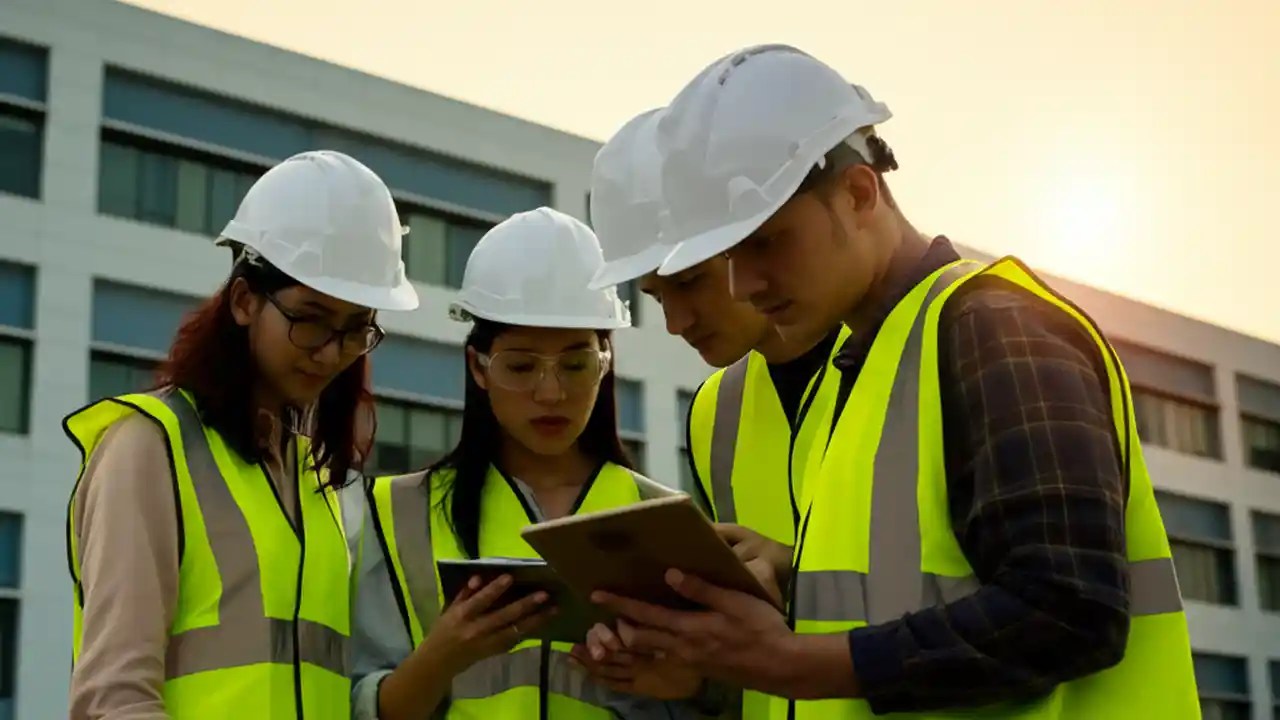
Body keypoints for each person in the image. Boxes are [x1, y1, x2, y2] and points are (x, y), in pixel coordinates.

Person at [588, 44, 1200, 719]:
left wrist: (791, 663)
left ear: (857, 193)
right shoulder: (861, 370)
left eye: (766, 243)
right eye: (730, 255)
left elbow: (1068, 608)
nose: (745, 284)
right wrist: (786, 583)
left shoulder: (996, 328)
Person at [64, 150, 419, 719]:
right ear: (244, 300)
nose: (331, 352)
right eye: (310, 319)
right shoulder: (149, 448)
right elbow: (114, 696)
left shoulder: (314, 481)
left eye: (356, 331)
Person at [347, 207, 704, 719]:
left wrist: (692, 687)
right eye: (520, 365)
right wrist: (439, 659)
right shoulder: (394, 513)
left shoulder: (665, 520)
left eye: (575, 364)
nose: (550, 391)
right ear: (479, 366)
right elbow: (354, 703)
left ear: (605, 361)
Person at [574, 106, 848, 719]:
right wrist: (691, 681)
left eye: (690, 282)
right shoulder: (713, 412)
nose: (675, 324)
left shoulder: (902, 366)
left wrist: (797, 570)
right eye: (655, 297)